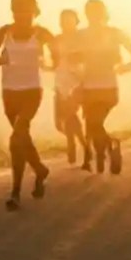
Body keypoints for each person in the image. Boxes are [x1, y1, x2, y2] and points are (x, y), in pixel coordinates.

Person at [0, 0, 54, 210]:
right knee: (22, 138)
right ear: (12, 12)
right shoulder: (3, 33)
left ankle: (15, 192)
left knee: (17, 137)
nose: (22, 16)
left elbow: (59, 56)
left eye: (26, 11)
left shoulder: (42, 34)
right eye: (17, 11)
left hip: (32, 92)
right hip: (10, 94)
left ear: (34, 12)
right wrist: (0, 60)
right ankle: (40, 170)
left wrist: (47, 63)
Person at [68, 0, 131, 175]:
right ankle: (101, 157)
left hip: (106, 86)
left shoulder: (113, 33)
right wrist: (76, 73)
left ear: (102, 13)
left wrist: (129, 65)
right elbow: (71, 59)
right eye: (90, 12)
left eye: (96, 12)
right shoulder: (82, 35)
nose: (93, 16)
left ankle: (111, 145)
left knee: (94, 123)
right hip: (88, 86)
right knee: (94, 124)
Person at [49, 9, 89, 169]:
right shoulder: (56, 39)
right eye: (63, 20)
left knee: (70, 113)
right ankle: (78, 142)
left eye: (70, 20)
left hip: (78, 79)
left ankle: (77, 145)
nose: (66, 23)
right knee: (59, 123)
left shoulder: (82, 38)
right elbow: (54, 62)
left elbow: (87, 56)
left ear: (76, 21)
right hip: (61, 80)